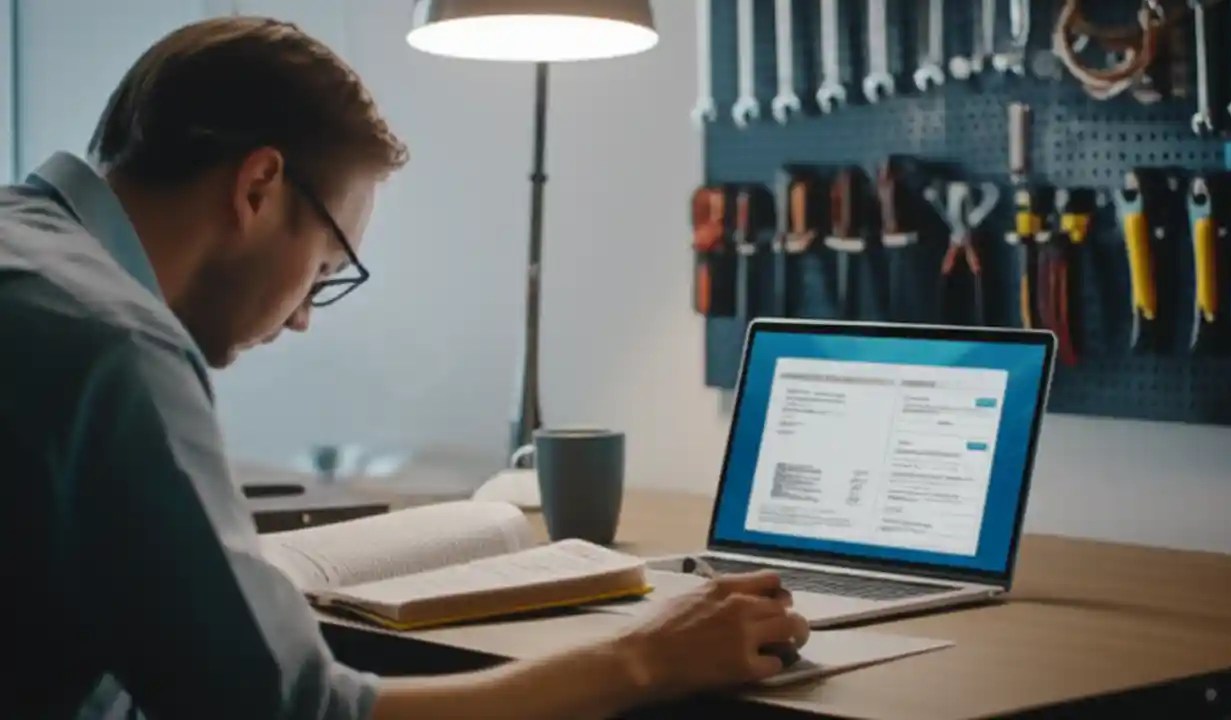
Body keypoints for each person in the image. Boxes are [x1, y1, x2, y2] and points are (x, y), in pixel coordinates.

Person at [0, 15, 809, 720]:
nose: (307, 316)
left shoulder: (30, 261)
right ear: (258, 188)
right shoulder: (117, 346)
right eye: (325, 269)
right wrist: (646, 660)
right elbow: (296, 716)